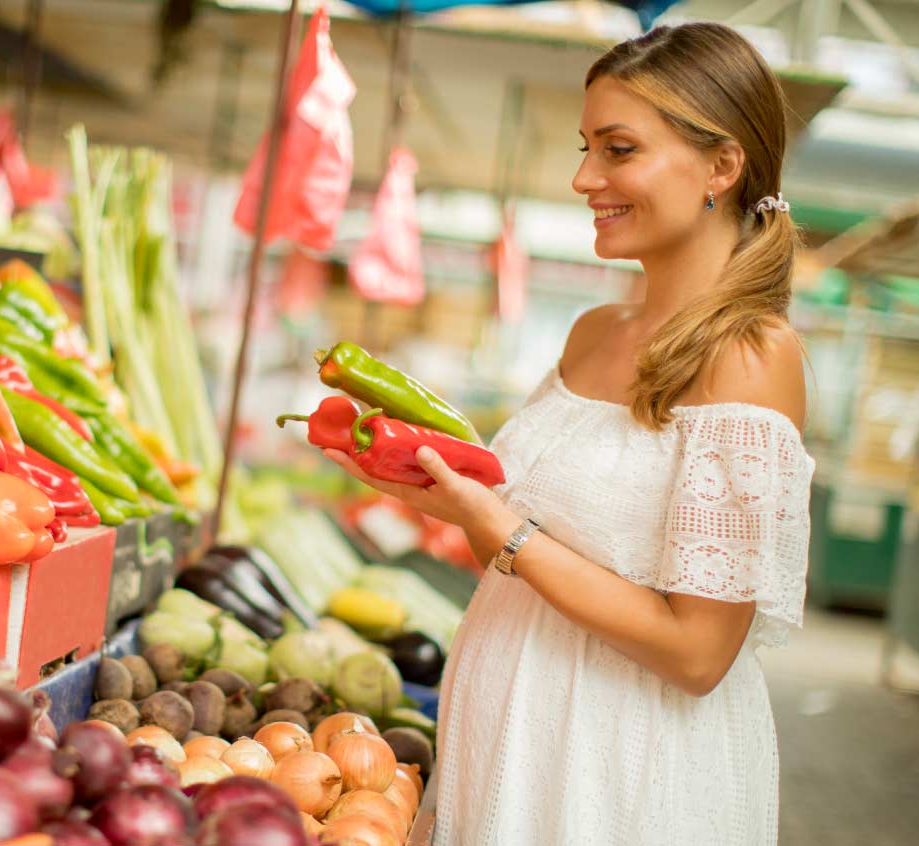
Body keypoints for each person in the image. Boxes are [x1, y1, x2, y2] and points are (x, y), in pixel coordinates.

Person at [327, 23, 813, 846]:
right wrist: (451, 501)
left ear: (722, 167)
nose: (585, 177)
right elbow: (541, 558)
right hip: (514, 736)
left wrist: (499, 528)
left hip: (625, 771)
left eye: (619, 150)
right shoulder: (592, 331)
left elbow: (699, 655)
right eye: (587, 146)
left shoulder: (750, 356)